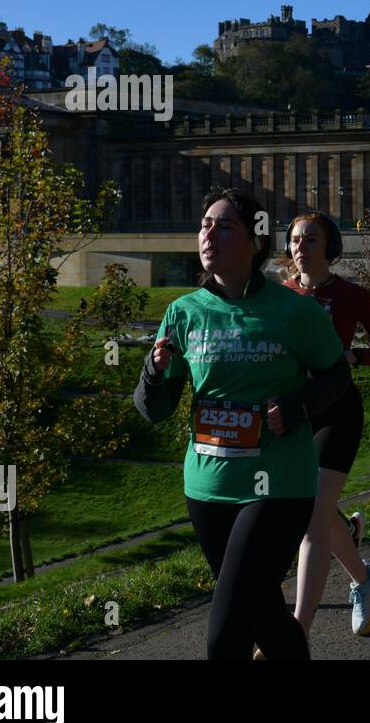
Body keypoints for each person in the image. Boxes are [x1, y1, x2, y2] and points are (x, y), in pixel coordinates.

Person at [134, 189, 351, 660]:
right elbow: (154, 409)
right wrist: (154, 369)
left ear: (255, 242)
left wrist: (296, 407)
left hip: (276, 487)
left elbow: (338, 377)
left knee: (226, 635)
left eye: (224, 225)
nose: (208, 234)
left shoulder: (296, 310)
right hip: (207, 488)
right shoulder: (183, 312)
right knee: (265, 616)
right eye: (205, 225)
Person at [282, 212, 370, 641]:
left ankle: (296, 631)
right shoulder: (281, 295)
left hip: (338, 411)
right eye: (295, 240)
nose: (300, 248)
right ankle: (365, 576)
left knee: (310, 515)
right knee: (308, 506)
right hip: (295, 413)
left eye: (311, 240)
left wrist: (355, 357)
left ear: (330, 249)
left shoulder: (353, 295)